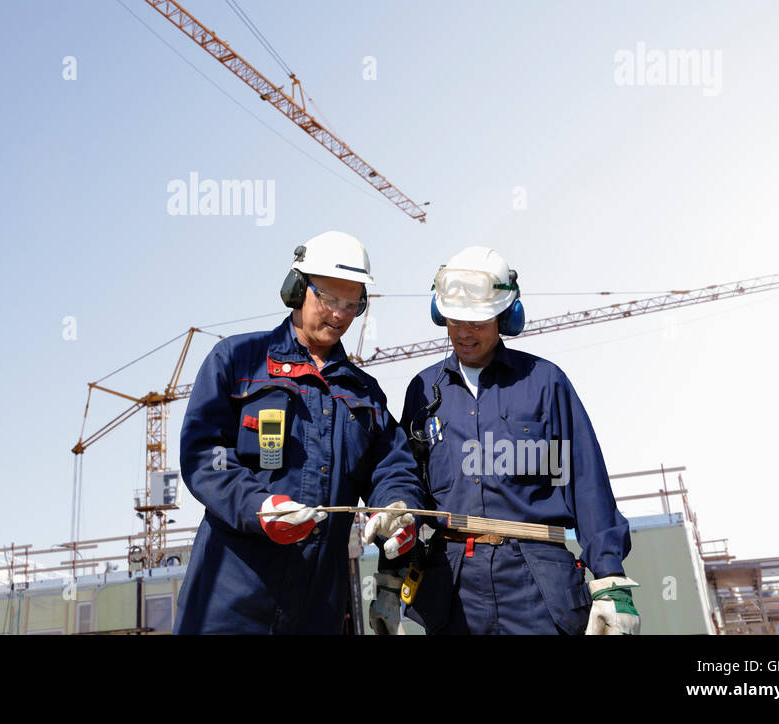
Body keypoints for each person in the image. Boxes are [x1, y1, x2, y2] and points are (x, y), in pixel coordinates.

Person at [373, 246, 638, 635]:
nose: (464, 332)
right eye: (455, 319)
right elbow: (406, 488)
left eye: (477, 322)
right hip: (451, 585)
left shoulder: (545, 382)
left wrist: (611, 581)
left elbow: (586, 482)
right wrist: (388, 580)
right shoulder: (422, 390)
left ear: (505, 317)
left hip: (537, 584)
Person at [173, 231, 427, 634]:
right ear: (297, 289)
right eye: (329, 298)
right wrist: (258, 505)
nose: (341, 314)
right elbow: (204, 455)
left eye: (353, 303)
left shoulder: (364, 394)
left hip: (315, 610)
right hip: (228, 604)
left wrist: (396, 507)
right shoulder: (237, 361)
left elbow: (392, 468)